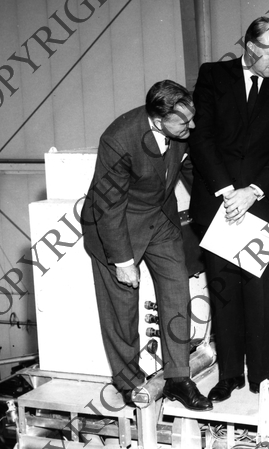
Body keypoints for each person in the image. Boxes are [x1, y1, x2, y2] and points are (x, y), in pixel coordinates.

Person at [189, 17, 269, 406]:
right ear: (251, 49)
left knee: (260, 296)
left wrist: (252, 191)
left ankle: (263, 378)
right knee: (224, 296)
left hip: (261, 206)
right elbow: (200, 138)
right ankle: (230, 375)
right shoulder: (214, 77)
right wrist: (227, 192)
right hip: (218, 207)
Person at [82, 80, 212, 411]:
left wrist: (220, 203)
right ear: (157, 120)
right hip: (116, 226)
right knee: (123, 308)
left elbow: (192, 172)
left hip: (159, 217)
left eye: (192, 117)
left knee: (176, 289)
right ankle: (128, 381)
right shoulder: (119, 139)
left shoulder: (181, 129)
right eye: (183, 122)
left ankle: (179, 377)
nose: (192, 126)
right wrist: (123, 262)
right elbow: (108, 206)